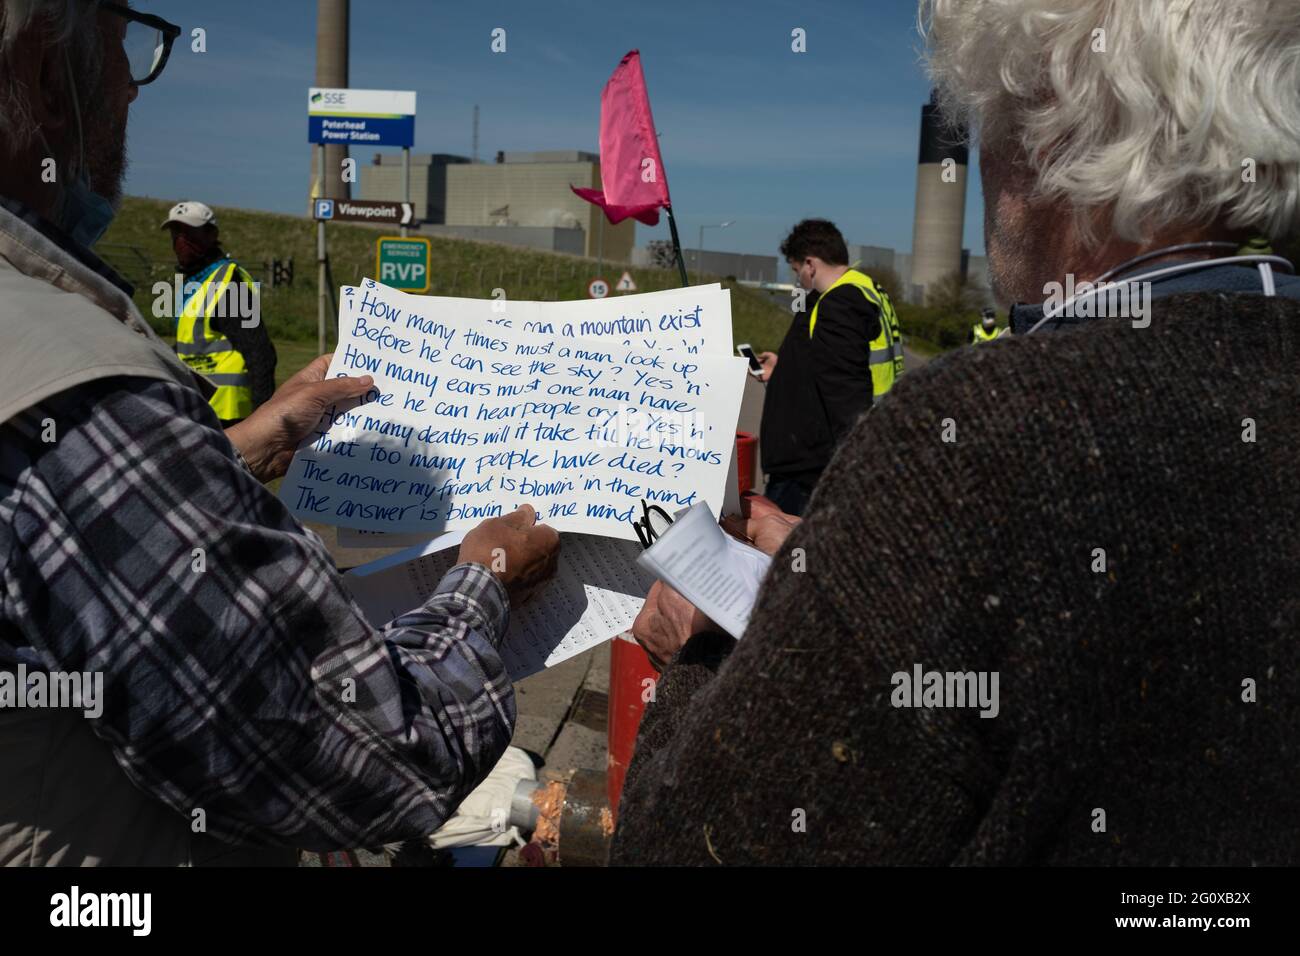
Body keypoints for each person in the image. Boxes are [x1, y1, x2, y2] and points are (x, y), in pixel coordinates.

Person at [612, 0, 1300, 865]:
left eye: (988, 125)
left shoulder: (979, 443)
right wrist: (863, 575)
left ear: (1048, 136)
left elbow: (701, 846)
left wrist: (712, 653)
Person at [0, 0, 559, 865]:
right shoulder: (71, 384)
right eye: (121, 48)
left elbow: (48, 527)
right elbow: (362, 751)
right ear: (46, 72)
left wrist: (229, 449)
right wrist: (482, 579)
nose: (136, 93)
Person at [756, 219, 903, 516]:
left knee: (791, 555)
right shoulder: (865, 289)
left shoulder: (839, 304)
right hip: (822, 462)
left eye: (797, 271)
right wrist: (782, 367)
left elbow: (845, 395)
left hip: (810, 473)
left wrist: (854, 475)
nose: (799, 281)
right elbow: (832, 360)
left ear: (810, 264)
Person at [163, 200, 276, 425]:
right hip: (197, 409)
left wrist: (263, 420)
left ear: (211, 235)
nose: (181, 240)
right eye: (176, 233)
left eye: (190, 232)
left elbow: (260, 352)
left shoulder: (228, 282)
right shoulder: (194, 283)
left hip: (229, 414)